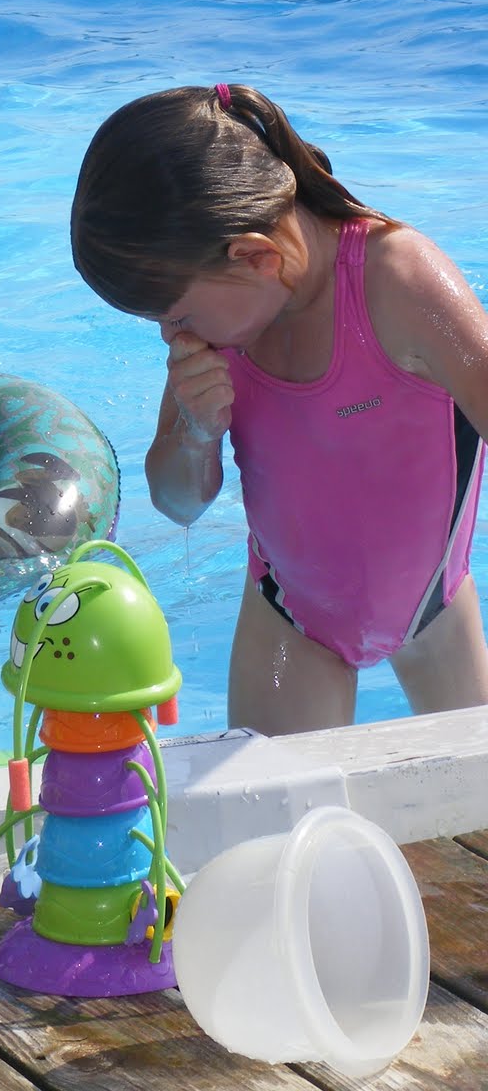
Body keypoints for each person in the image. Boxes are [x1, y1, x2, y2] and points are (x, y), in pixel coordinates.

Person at [71, 82, 488, 734]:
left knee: (474, 807)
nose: (169, 334)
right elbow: (177, 502)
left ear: (256, 258)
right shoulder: (215, 332)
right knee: (267, 819)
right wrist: (197, 433)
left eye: (173, 312)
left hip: (432, 608)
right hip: (291, 618)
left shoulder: (398, 281)